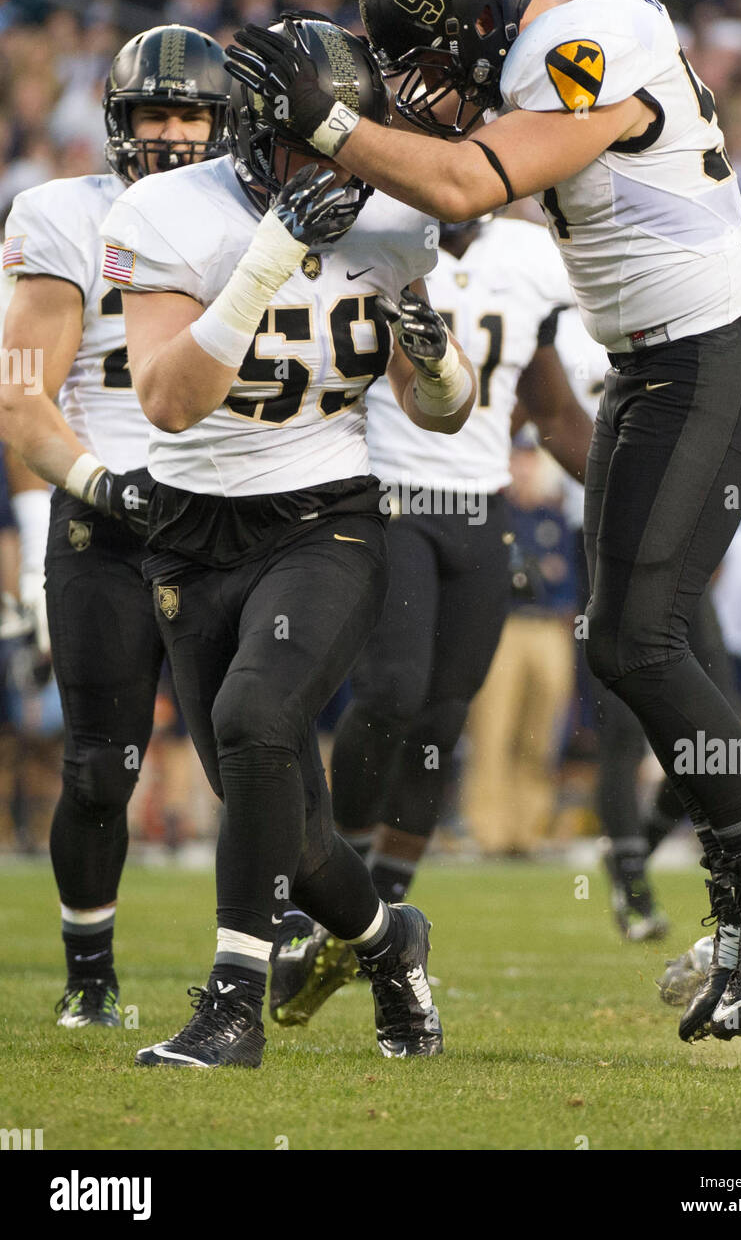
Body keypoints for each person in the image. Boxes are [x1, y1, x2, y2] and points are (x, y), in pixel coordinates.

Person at [224, 0, 741, 1042]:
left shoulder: (576, 44)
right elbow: (448, 136)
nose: (417, 89)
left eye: (426, 64)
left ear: (476, 28)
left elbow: (464, 183)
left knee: (633, 640)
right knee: (622, 634)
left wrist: (329, 115)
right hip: (653, 366)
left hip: (709, 359)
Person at [100, 13, 469, 1067]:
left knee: (257, 714)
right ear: (257, 133)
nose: (330, 164)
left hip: (324, 516)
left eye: (342, 139)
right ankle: (391, 947)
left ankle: (231, 1006)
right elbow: (169, 402)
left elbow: (433, 405)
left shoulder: (396, 220)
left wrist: (438, 368)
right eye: (310, 139)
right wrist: (270, 256)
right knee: (287, 828)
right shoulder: (167, 211)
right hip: (185, 526)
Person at [269, 211, 593, 1026]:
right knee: (391, 688)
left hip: (480, 509)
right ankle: (322, 890)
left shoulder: (524, 256)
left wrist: (631, 501)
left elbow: (551, 411)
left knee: (442, 716)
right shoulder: (374, 239)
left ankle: (380, 925)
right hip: (388, 496)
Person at [0, 24, 230, 1028]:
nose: (170, 132)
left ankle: (284, 947)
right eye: (152, 112)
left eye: (187, 113)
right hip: (106, 512)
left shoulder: (251, 219)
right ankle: (90, 973)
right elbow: (18, 393)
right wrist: (101, 485)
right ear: (118, 121)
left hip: (229, 512)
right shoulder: (63, 215)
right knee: (102, 760)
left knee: (254, 750)